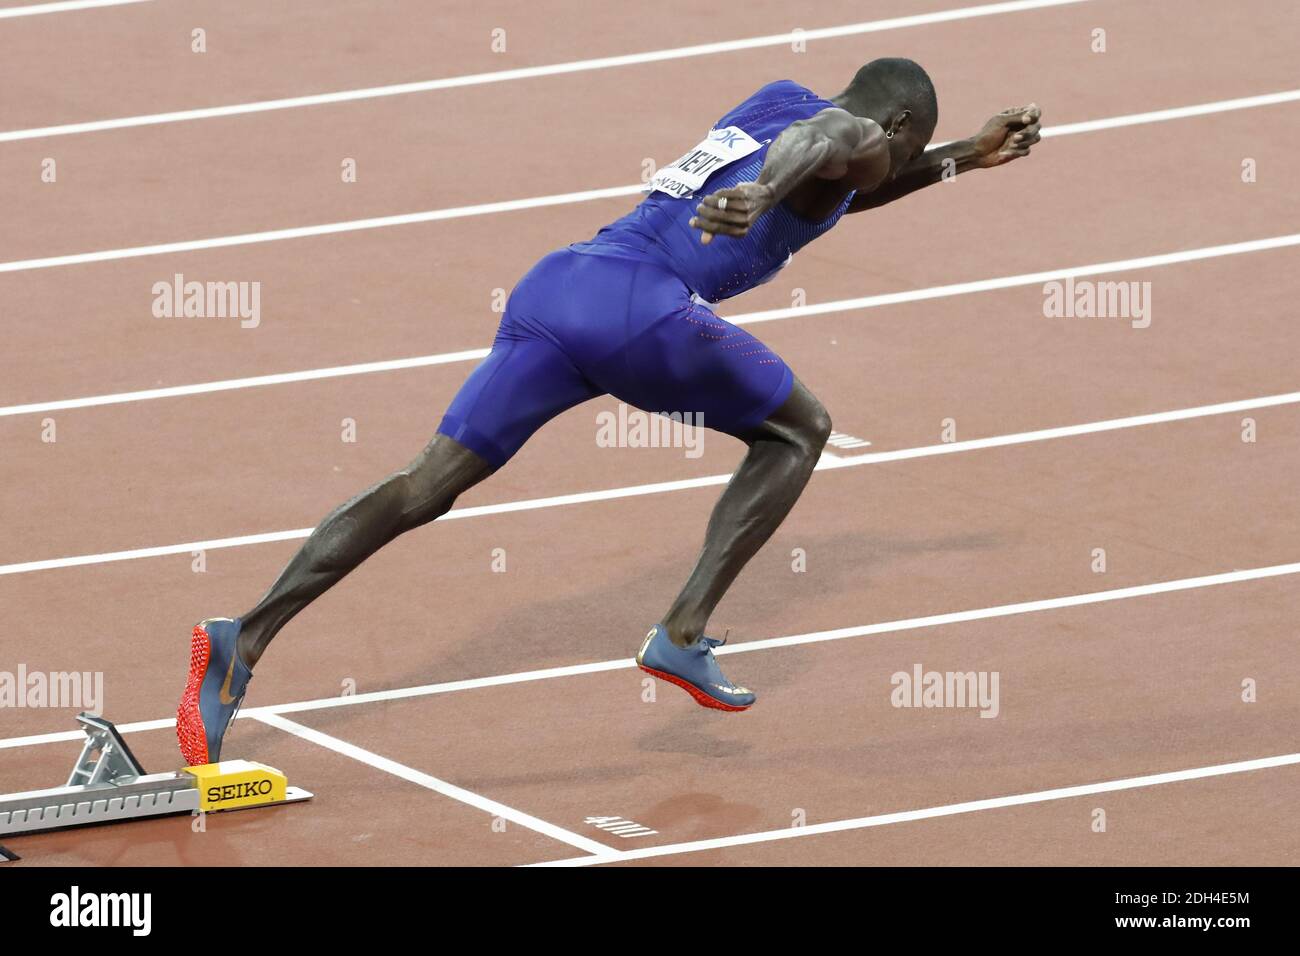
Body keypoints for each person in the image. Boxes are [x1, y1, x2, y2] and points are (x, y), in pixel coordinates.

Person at [177, 58, 1041, 765]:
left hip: (560, 285)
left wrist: (965, 153)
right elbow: (830, 147)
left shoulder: (779, 96)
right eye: (907, 149)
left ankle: (242, 641)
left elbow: (839, 167)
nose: (890, 164)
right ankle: (681, 631)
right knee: (797, 431)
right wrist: (761, 200)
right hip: (642, 310)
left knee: (425, 483)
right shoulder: (845, 136)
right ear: (892, 130)